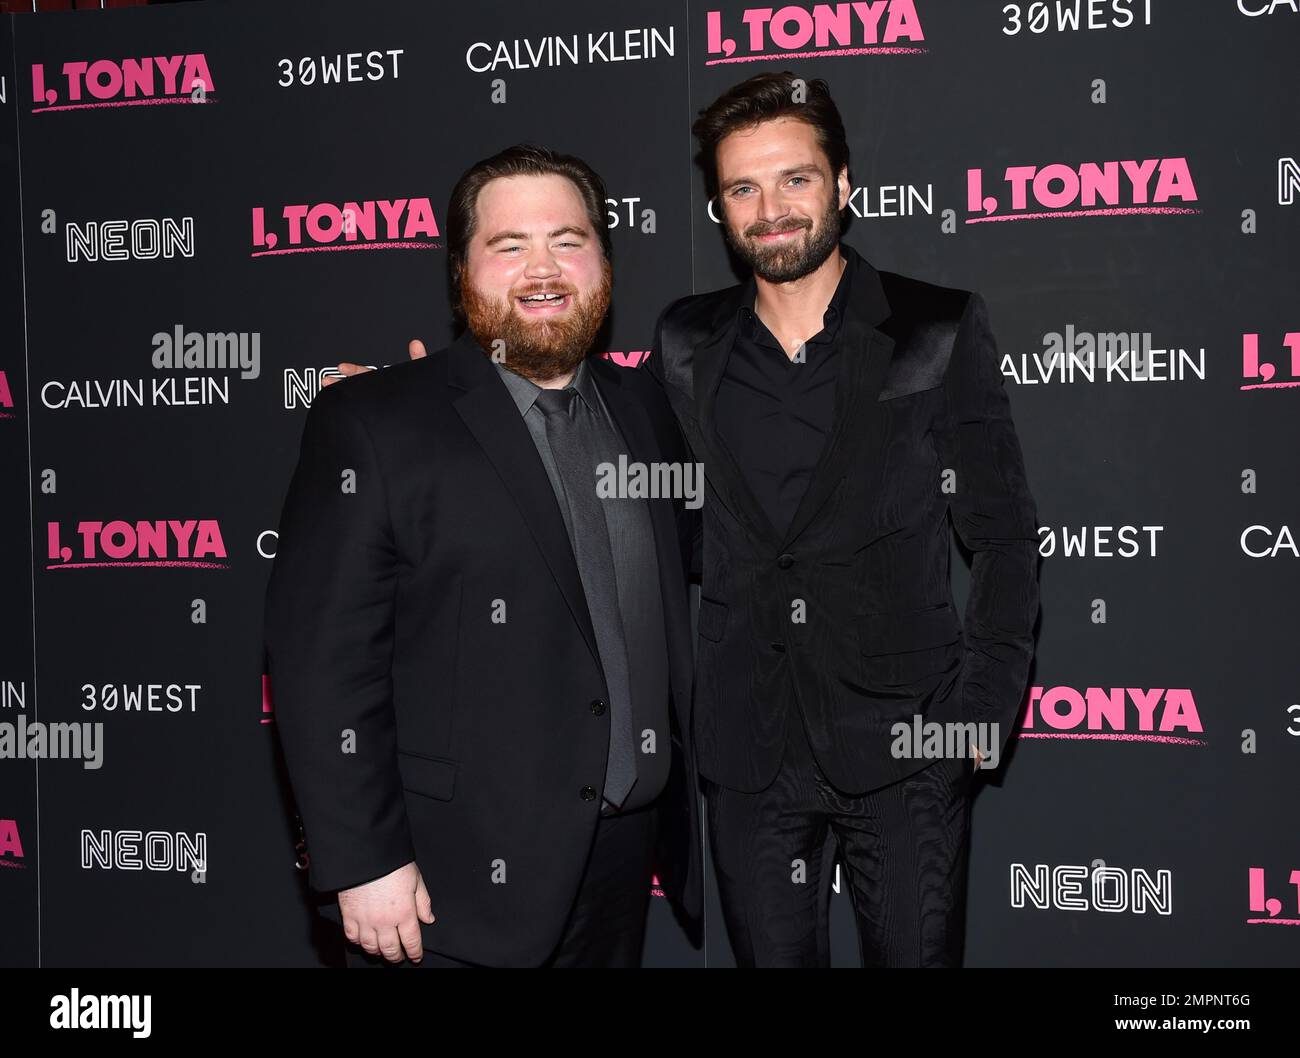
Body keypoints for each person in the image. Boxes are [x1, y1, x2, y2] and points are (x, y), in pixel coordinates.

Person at [264, 144, 702, 968]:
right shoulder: (376, 420)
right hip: (447, 882)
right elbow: (322, 661)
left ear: (604, 263)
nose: (544, 268)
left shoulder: (644, 408)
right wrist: (361, 863)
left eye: (569, 240)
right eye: (510, 246)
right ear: (462, 272)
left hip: (619, 863)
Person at [642, 71, 1040, 967]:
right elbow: (632, 482)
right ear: (718, 205)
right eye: (743, 187)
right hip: (746, 748)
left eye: (796, 179)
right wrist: (430, 401)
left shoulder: (934, 329)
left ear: (844, 184)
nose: (770, 208)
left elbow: (1006, 537)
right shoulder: (683, 342)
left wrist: (979, 714)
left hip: (907, 745)